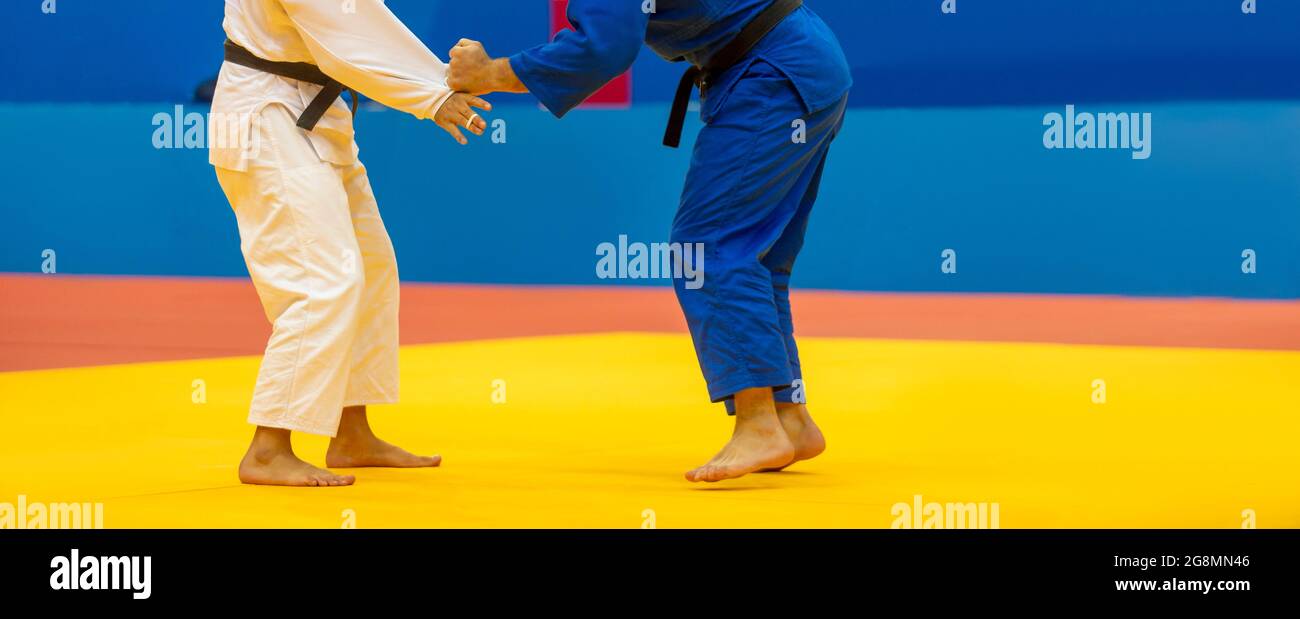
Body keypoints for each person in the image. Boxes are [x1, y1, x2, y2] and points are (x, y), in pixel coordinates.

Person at [447, 0, 852, 482]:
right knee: (756, 257)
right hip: (803, 65)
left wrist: (493, 72)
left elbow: (605, 48)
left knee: (709, 247)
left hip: (773, 74)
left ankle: (759, 424)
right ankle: (790, 416)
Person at [211, 0, 492, 486]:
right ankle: (268, 448)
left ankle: (351, 433)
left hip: (313, 112)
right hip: (267, 114)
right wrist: (435, 89)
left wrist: (442, 80)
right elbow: (344, 34)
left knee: (370, 266)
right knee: (323, 280)